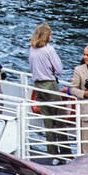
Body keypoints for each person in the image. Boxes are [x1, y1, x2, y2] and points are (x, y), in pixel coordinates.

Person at [28, 22, 69, 158]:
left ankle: (52, 154)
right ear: (46, 36)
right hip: (49, 85)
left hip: (38, 86)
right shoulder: (48, 50)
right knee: (59, 120)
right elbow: (59, 69)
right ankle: (65, 153)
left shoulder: (32, 50)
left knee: (48, 122)